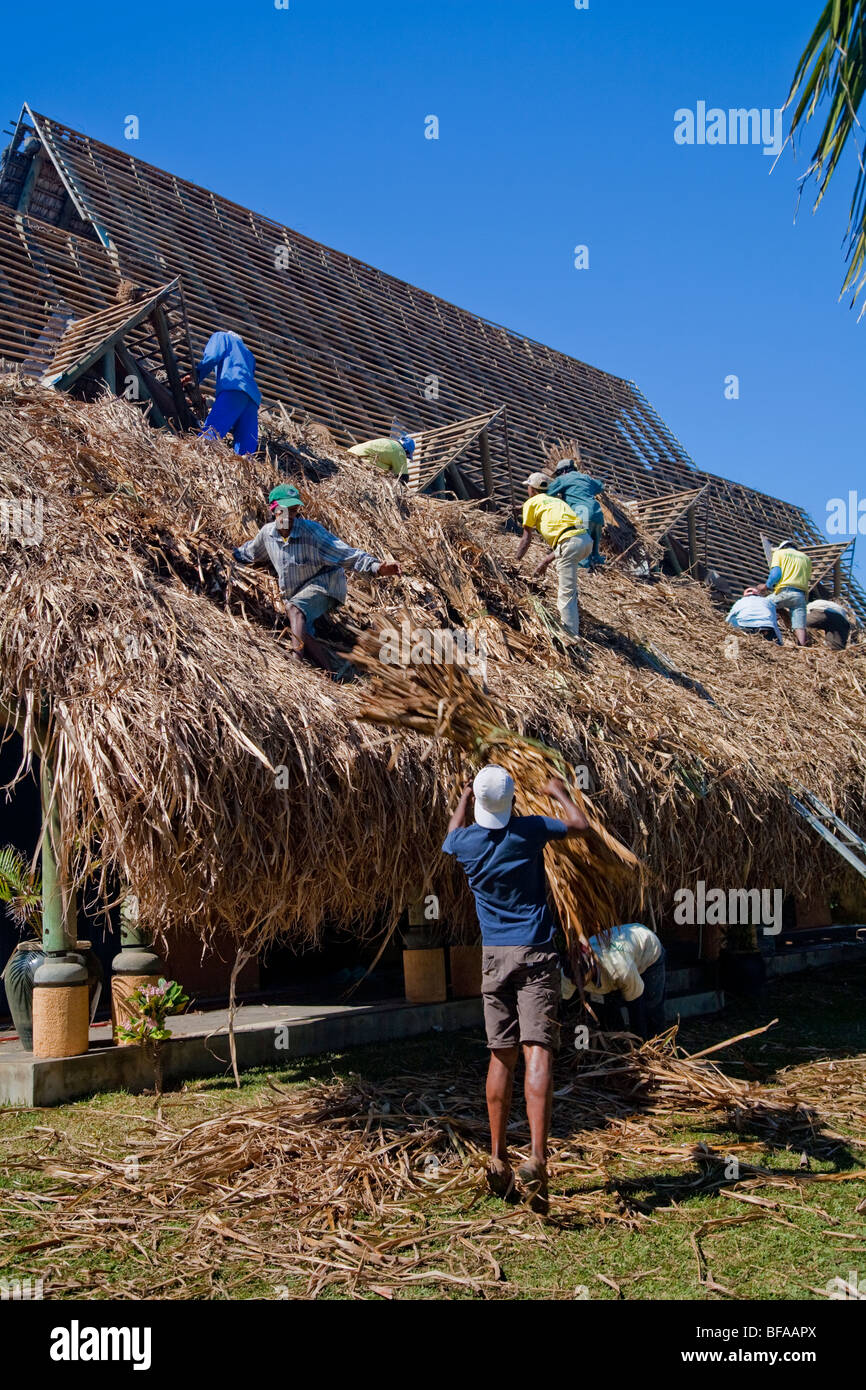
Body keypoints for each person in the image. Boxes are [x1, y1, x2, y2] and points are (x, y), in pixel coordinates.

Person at [442, 766, 589, 1212]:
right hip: (536, 954)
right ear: (509, 804)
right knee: (537, 1052)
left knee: (500, 1054)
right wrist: (558, 792)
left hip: (494, 959)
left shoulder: (463, 843)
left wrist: (464, 795)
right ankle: (538, 1158)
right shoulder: (528, 831)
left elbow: (452, 829)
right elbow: (581, 826)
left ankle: (497, 1156)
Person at [232, 483, 400, 671]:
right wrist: (229, 555)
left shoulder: (312, 533)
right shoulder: (267, 535)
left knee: (294, 609)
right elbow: (251, 552)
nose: (289, 516)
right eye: (284, 510)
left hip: (327, 583)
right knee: (302, 631)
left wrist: (376, 567)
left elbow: (346, 554)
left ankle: (296, 663)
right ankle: (331, 672)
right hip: (298, 591)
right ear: (273, 509)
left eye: (294, 510)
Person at [516, 473, 592, 637]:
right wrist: (545, 561)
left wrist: (515, 561)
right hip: (585, 541)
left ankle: (570, 636)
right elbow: (568, 537)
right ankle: (575, 618)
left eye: (528, 487)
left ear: (532, 489)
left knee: (565, 594)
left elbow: (526, 537)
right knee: (569, 582)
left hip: (570, 542)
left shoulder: (531, 503)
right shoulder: (557, 501)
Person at [579, 923, 666, 1041]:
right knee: (609, 1006)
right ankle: (617, 1043)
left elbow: (636, 1005)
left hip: (649, 951)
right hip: (626, 955)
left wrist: (639, 1044)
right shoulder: (570, 968)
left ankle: (657, 1045)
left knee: (651, 1006)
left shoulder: (620, 968)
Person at [183, 330, 261, 455]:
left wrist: (196, 375)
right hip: (252, 397)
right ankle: (245, 471)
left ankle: (198, 456)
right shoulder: (249, 354)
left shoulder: (222, 336)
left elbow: (213, 356)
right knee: (246, 450)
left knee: (211, 433)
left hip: (233, 387)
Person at [745, 540, 812, 648]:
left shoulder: (779, 553)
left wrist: (766, 586)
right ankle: (802, 648)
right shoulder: (806, 558)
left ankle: (763, 633)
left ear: (782, 547)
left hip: (784, 591)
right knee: (800, 625)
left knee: (763, 605)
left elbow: (776, 574)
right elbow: (807, 578)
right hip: (800, 595)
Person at [546, 457, 605, 568]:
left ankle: (584, 573)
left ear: (563, 471)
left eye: (558, 474)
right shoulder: (587, 478)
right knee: (594, 550)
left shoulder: (563, 479)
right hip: (597, 514)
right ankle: (600, 569)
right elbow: (601, 486)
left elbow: (547, 494)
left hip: (582, 513)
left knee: (581, 548)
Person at [348, 433, 416, 481]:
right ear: (406, 451)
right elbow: (403, 477)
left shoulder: (389, 442)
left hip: (351, 453)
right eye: (407, 456)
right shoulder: (400, 451)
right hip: (361, 460)